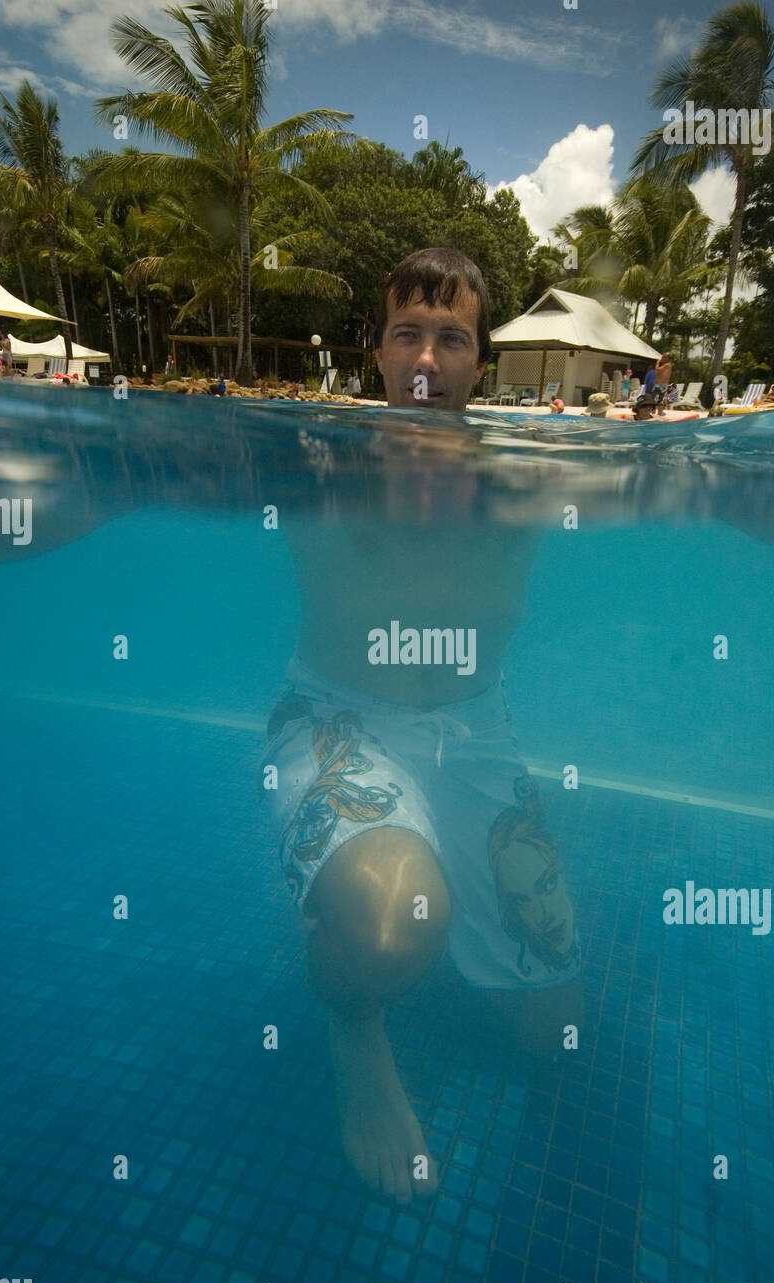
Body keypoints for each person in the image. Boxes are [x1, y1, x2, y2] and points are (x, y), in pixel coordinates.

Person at [269, 247, 584, 1202]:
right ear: (376, 351)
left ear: (480, 364)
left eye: (451, 338)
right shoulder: (317, 460)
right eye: (408, 331)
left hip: (477, 733)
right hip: (336, 721)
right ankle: (355, 1031)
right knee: (388, 929)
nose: (426, 358)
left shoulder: (526, 475)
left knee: (556, 1040)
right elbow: (116, 471)